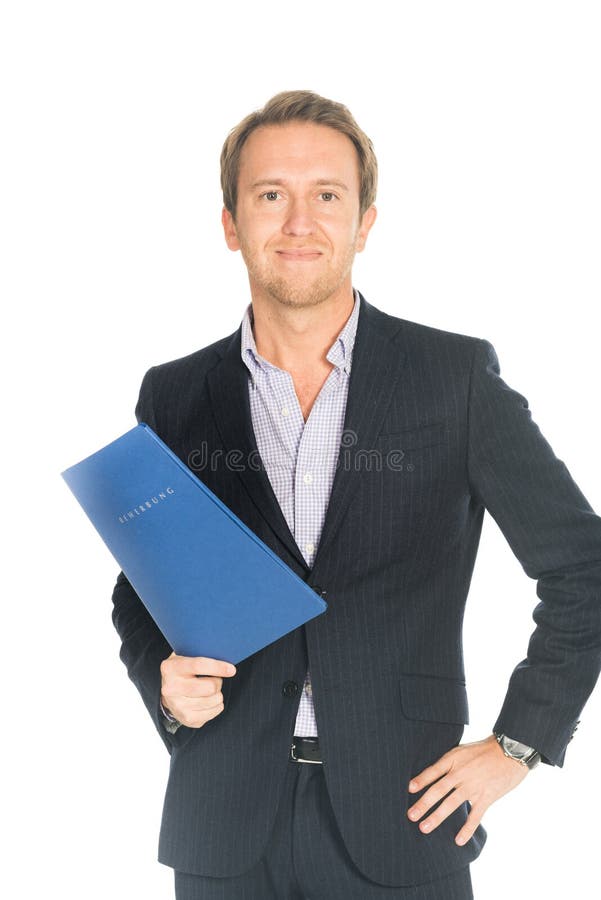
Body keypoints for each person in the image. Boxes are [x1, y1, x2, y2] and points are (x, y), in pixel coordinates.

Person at [111, 90, 601, 900]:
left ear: (364, 221)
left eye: (326, 196)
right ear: (231, 223)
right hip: (222, 824)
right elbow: (145, 582)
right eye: (270, 196)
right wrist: (159, 675)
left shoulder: (452, 380)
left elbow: (584, 568)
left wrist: (519, 744)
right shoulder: (174, 395)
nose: (298, 222)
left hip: (407, 816)